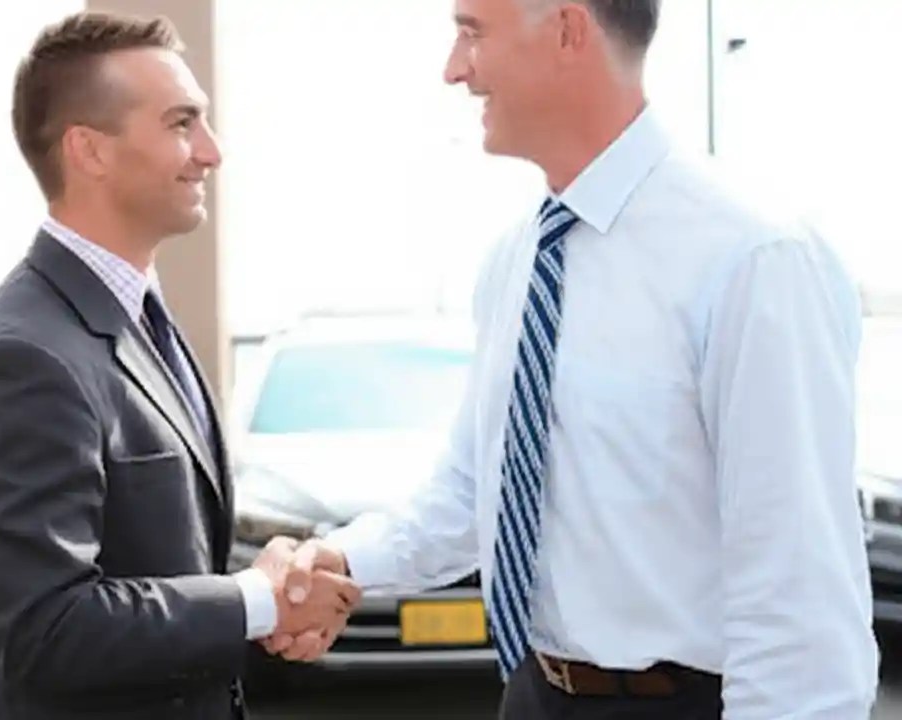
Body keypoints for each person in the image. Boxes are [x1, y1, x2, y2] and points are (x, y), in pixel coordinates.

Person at [262, 0, 880, 717]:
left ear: (565, 29)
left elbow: (798, 586)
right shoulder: (516, 258)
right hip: (533, 696)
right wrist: (342, 562)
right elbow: (474, 491)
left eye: (472, 32)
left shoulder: (752, 258)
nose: (454, 69)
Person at [0, 11, 359, 720]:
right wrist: (255, 599)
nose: (211, 152)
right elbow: (46, 632)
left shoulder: (138, 319)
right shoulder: (23, 357)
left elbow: (165, 565)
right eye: (181, 123)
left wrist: (267, 601)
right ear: (89, 150)